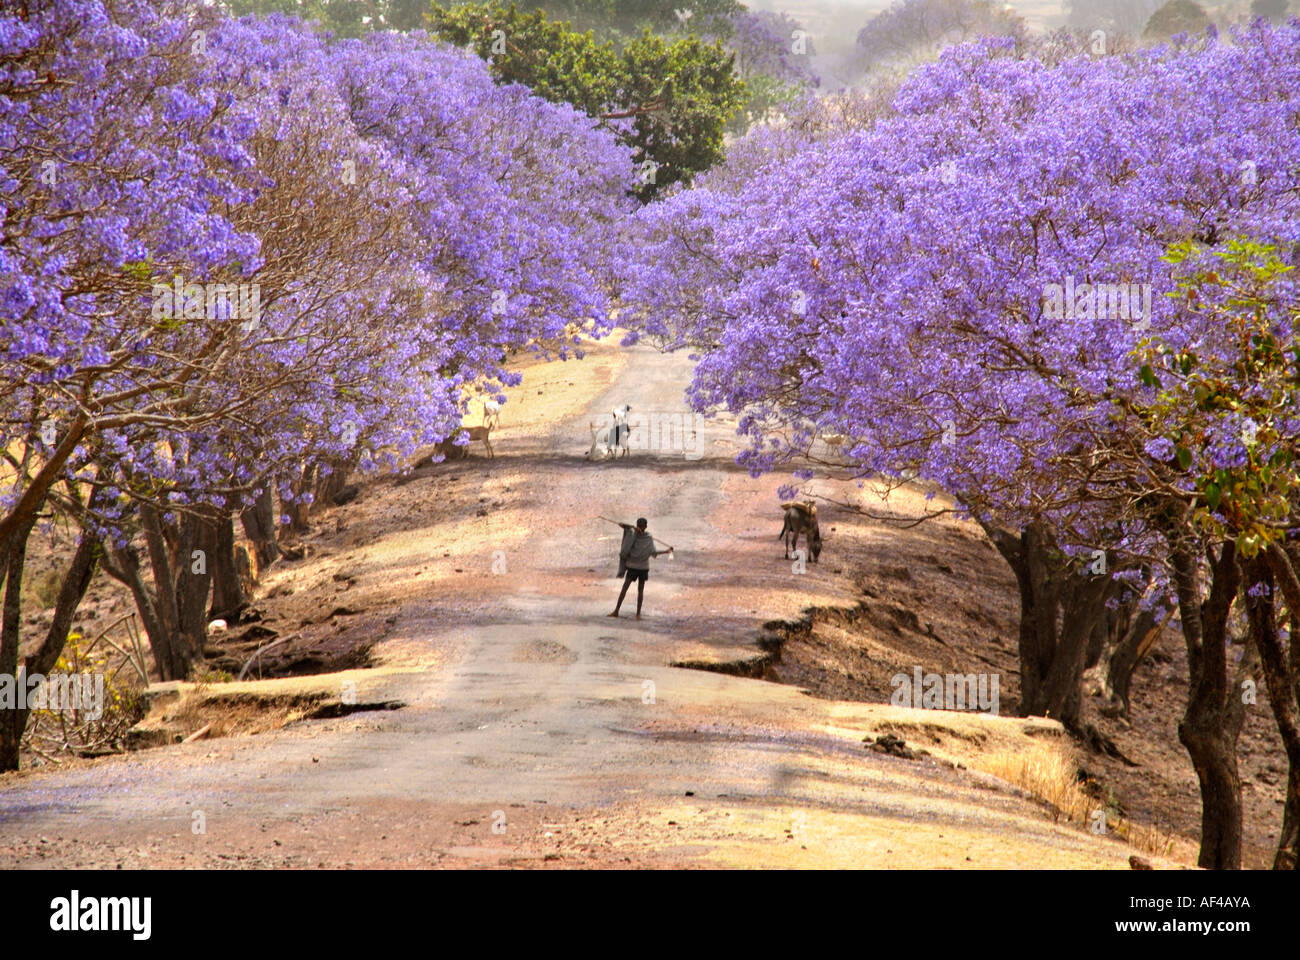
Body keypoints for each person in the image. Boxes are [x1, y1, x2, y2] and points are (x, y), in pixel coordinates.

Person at [609, 517, 671, 620]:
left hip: (633, 567)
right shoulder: (641, 535)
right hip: (643, 568)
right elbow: (654, 553)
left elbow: (622, 527)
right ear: (645, 526)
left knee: (625, 588)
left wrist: (630, 527)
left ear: (638, 525)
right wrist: (666, 551)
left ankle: (616, 611)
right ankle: (638, 614)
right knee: (640, 591)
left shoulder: (633, 534)